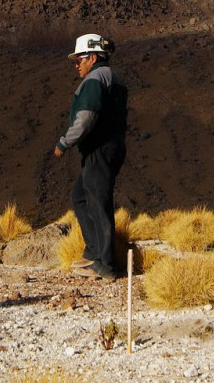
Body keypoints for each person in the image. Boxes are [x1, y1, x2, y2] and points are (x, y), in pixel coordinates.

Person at [54, 33, 128, 280]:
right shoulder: (111, 78)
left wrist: (65, 142)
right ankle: (94, 252)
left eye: (80, 59)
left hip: (100, 148)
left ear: (93, 57)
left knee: (98, 202)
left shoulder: (95, 79)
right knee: (82, 198)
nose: (77, 64)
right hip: (109, 148)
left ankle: (106, 264)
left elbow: (86, 117)